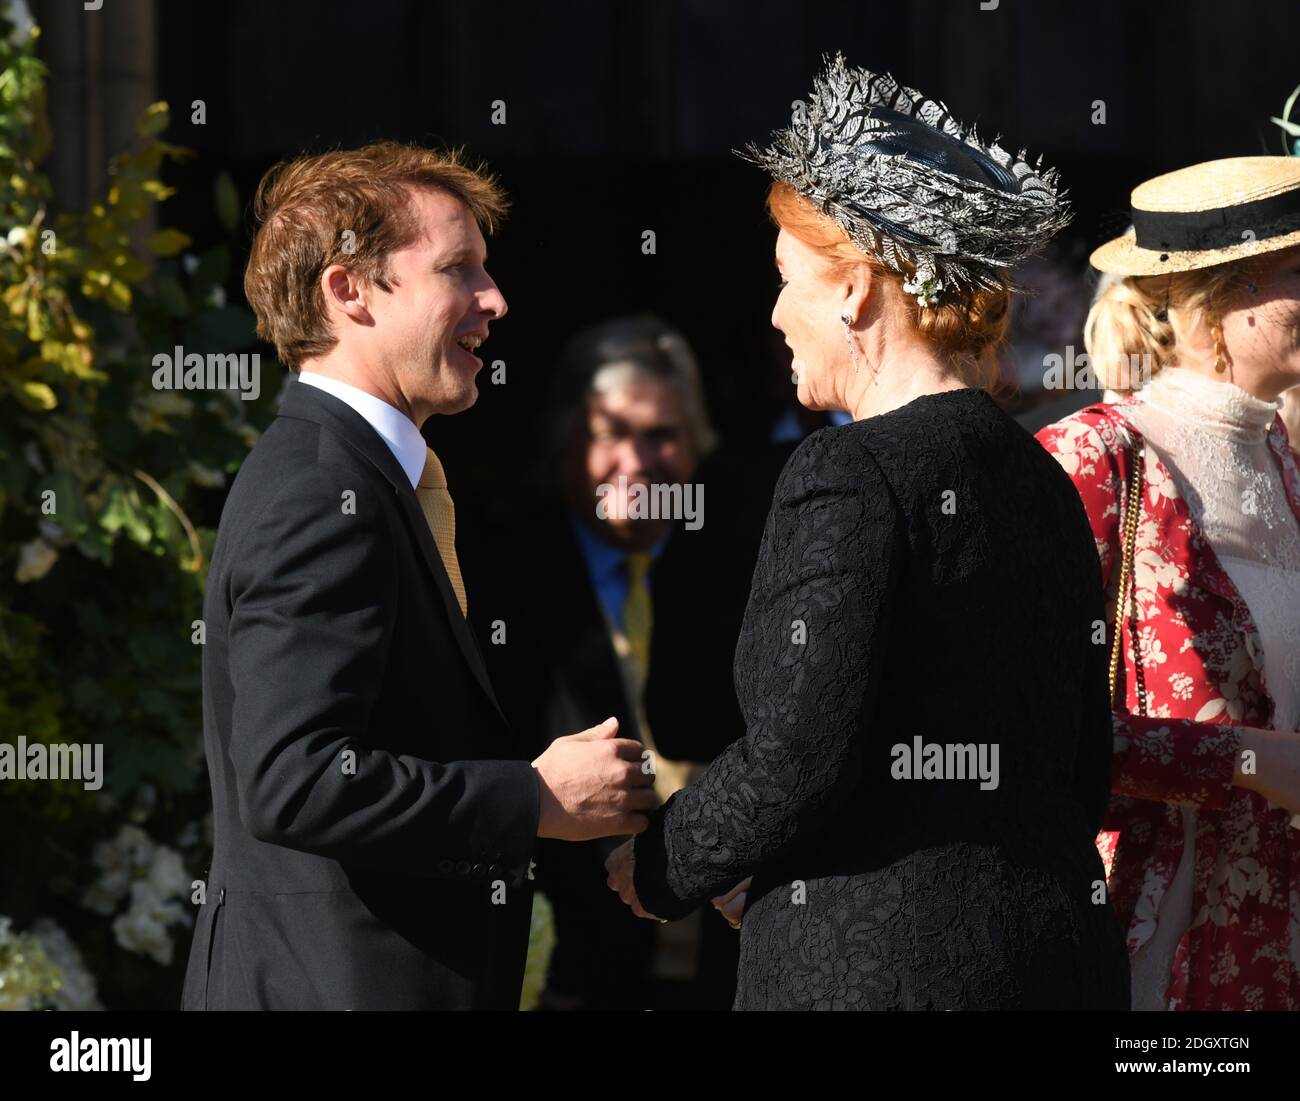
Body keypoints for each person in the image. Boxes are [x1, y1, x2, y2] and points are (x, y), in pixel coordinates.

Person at [605, 55, 1130, 1009]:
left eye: (785, 280)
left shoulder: (849, 470)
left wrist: (661, 862)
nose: (772, 315)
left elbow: (800, 754)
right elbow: (1079, 763)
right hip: (1055, 958)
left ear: (854, 290)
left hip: (877, 969)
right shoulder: (1046, 476)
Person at [180, 142, 655, 1011]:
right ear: (347, 290)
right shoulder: (325, 488)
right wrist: (533, 796)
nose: (495, 299)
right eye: (458, 269)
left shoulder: (351, 472)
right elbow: (295, 779)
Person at [1036, 155, 1300, 1010]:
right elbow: (1030, 724)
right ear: (1219, 301)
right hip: (1149, 936)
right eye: (1299, 270)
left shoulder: (1287, 465)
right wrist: (1252, 759)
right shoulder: (1095, 459)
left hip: (1274, 939)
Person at [465, 315, 740, 1009]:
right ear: (567, 443)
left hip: (728, 961)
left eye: (661, 436)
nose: (637, 463)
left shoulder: (747, 568)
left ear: (697, 443)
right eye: (611, 434)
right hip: (570, 970)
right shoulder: (502, 582)